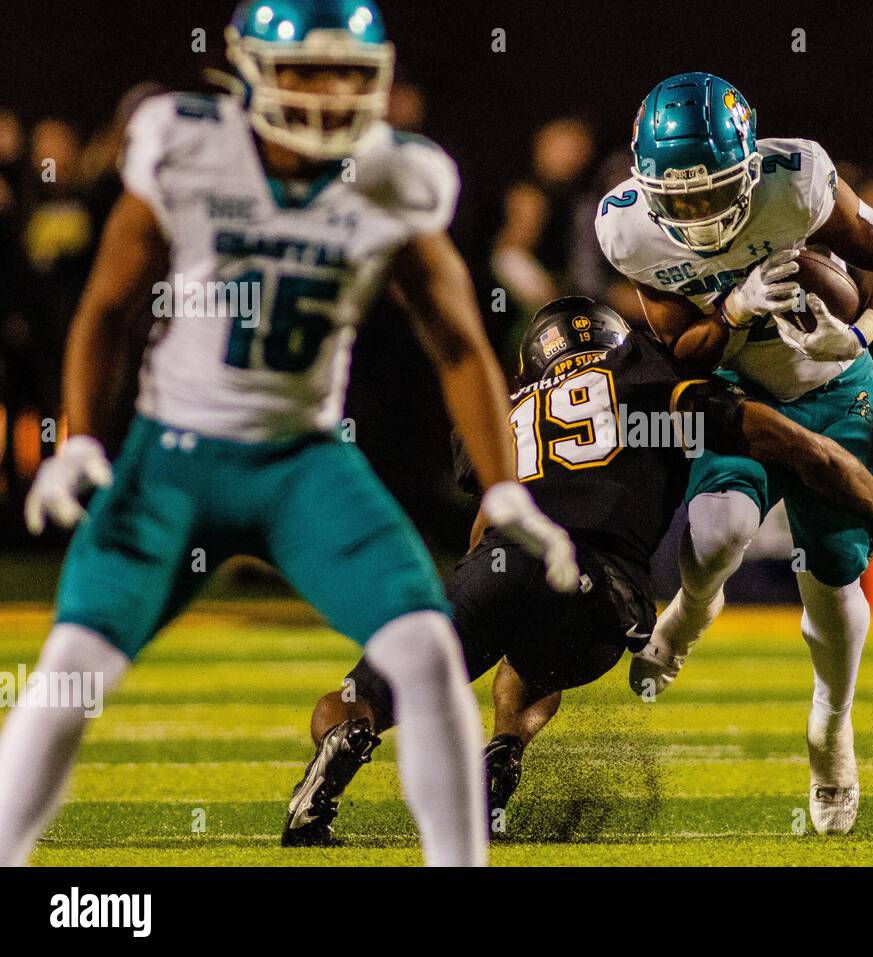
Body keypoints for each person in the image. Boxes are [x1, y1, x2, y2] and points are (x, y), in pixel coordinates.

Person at [0, 0, 577, 869]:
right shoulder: (187, 148)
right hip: (174, 462)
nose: (335, 91)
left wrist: (500, 484)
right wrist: (79, 438)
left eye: (352, 71)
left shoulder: (391, 175)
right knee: (72, 669)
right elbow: (109, 308)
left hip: (306, 465)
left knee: (425, 651)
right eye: (312, 69)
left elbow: (458, 337)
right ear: (254, 73)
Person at [281, 296, 873, 845]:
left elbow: (488, 519)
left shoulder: (503, 407)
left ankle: (343, 751)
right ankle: (505, 748)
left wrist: (479, 585)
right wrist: (870, 496)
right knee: (538, 658)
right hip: (602, 592)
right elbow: (781, 439)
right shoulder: (647, 378)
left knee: (361, 696)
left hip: (501, 560)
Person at [594, 72, 873, 833]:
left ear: (748, 165)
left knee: (830, 581)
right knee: (718, 531)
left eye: (713, 192)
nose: (698, 212)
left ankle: (831, 729)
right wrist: (732, 310)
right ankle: (692, 610)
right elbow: (683, 352)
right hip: (739, 387)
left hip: (833, 386)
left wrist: (860, 332)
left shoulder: (794, 184)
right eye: (681, 197)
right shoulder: (629, 228)